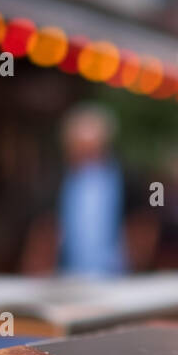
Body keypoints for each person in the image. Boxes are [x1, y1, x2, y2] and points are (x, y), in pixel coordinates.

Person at [57, 104, 126, 275]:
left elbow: (141, 224)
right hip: (67, 274)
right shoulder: (60, 180)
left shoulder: (124, 178)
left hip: (117, 274)